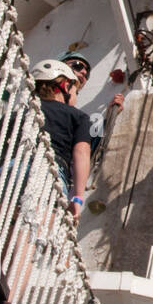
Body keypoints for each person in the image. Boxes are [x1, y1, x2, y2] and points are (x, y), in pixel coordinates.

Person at [30, 59, 93, 219]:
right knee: (36, 234)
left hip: (10, 169)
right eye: (75, 91)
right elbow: (81, 154)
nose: (76, 96)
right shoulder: (77, 116)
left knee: (6, 226)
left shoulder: (24, 110)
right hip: (47, 174)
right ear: (65, 86)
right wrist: (78, 197)